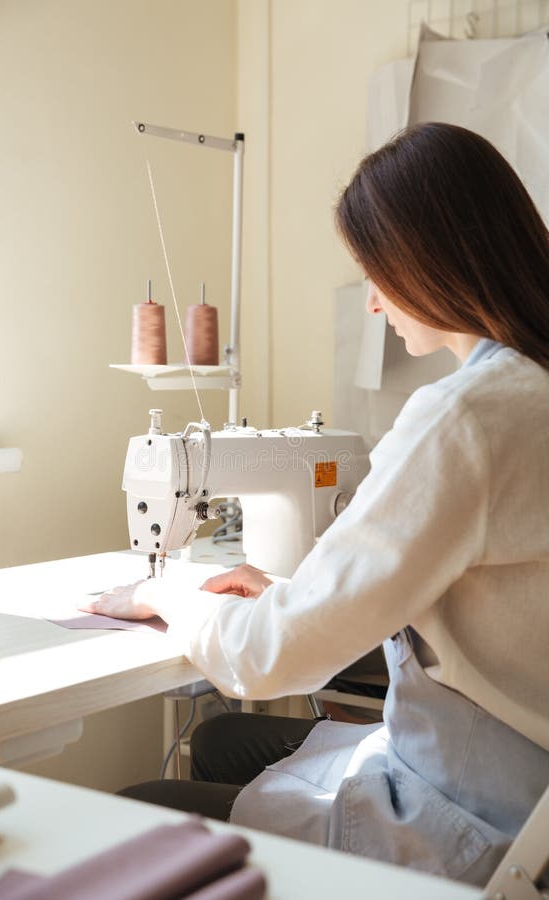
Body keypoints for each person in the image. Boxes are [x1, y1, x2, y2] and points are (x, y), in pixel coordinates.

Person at [82, 123, 549, 886]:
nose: (371, 303)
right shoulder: (531, 386)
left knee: (140, 800)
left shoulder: (466, 419)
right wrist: (297, 595)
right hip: (523, 777)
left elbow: (273, 658)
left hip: (475, 825)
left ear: (425, 261)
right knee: (230, 740)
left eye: (373, 272)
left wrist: (162, 591)